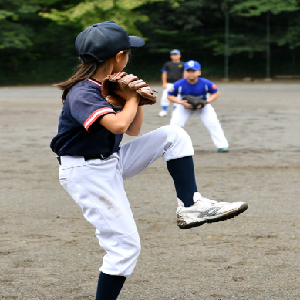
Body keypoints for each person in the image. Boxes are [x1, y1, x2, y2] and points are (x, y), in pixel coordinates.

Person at [50, 22, 248, 300]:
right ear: (119, 56)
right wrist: (130, 99)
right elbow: (119, 126)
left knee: (173, 135)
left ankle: (190, 205)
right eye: (128, 52)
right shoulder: (83, 92)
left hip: (109, 161)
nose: (130, 56)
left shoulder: (108, 85)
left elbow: (134, 130)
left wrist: (135, 101)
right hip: (85, 172)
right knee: (124, 248)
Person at [168, 60, 229, 152]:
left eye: (194, 71)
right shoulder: (179, 84)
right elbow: (169, 95)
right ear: (184, 72)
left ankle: (222, 146)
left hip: (203, 106)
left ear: (199, 72)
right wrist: (181, 102)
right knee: (175, 125)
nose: (191, 73)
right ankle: (170, 146)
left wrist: (206, 101)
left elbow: (216, 93)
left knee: (213, 124)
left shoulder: (206, 83)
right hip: (184, 106)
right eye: (189, 71)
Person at [158, 49, 184, 117]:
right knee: (165, 97)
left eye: (176, 55)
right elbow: (164, 74)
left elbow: (184, 74)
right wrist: (164, 83)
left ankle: (175, 111)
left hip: (179, 83)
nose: (175, 56)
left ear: (180, 55)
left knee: (177, 97)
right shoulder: (167, 64)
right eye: (173, 55)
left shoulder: (182, 64)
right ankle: (164, 111)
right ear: (171, 56)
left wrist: (184, 83)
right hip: (169, 83)